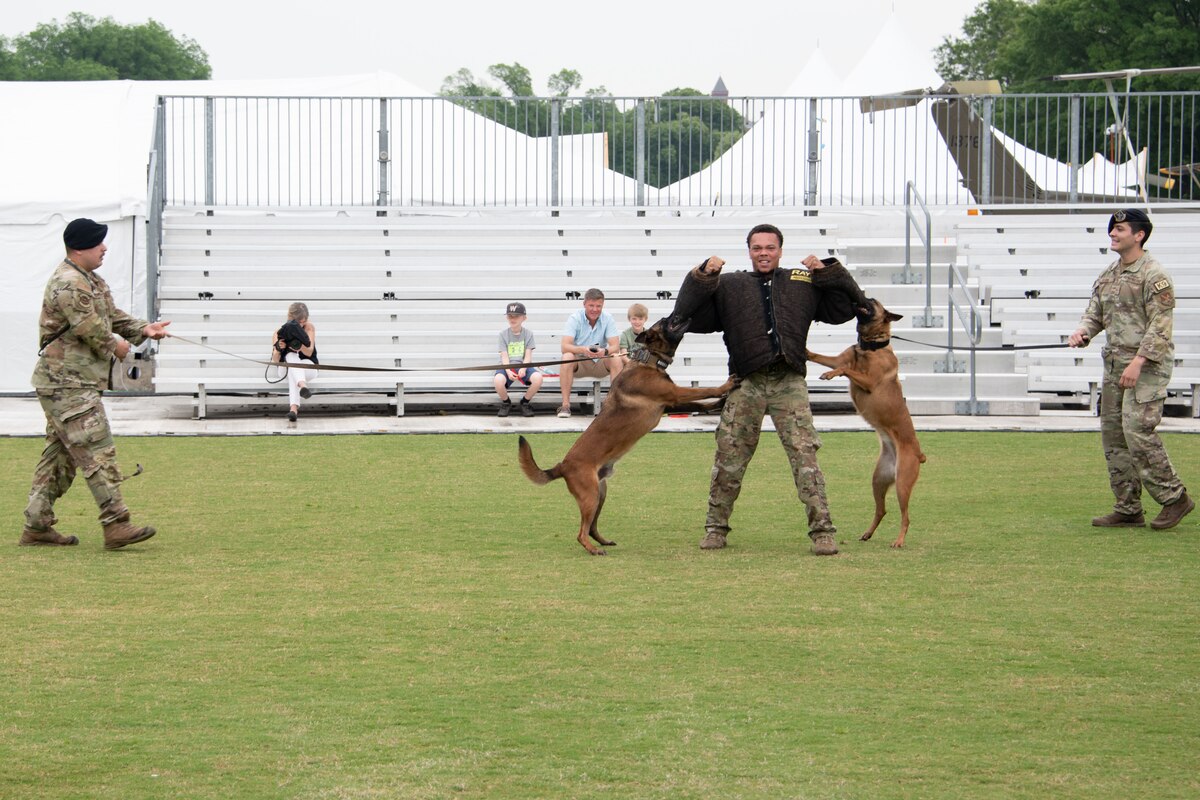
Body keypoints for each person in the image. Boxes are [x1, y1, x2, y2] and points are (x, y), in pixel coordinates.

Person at [670, 223, 867, 555]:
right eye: (757, 247)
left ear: (780, 250)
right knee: (729, 458)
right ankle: (715, 528)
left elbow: (849, 308)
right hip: (746, 381)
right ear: (748, 250)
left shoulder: (803, 283)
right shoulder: (729, 285)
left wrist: (829, 273)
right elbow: (684, 313)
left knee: (805, 457)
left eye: (770, 247)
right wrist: (702, 276)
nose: (764, 253)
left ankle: (823, 531)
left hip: (788, 381)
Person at [21, 217, 172, 550]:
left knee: (60, 457)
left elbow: (110, 315)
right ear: (79, 248)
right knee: (96, 448)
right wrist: (118, 346)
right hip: (66, 383)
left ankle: (36, 525)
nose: (104, 248)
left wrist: (143, 329)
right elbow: (89, 327)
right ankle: (116, 523)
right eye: (98, 243)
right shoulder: (70, 282)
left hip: (71, 382)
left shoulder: (90, 280)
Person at [1068, 208, 1193, 530]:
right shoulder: (1109, 274)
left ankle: (1174, 497)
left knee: (1138, 432)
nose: (1113, 233)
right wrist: (1082, 332)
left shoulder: (1154, 275)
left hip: (1145, 367)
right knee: (1113, 437)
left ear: (1139, 235)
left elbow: (1160, 327)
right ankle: (1128, 507)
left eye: (1120, 229)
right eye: (1112, 228)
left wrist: (1138, 363)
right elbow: (1094, 313)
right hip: (1114, 366)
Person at [557, 288, 622, 418]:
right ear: (584, 304)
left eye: (599, 306)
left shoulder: (608, 318)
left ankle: (615, 405)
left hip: (600, 361)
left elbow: (616, 346)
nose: (595, 309)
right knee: (566, 356)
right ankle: (565, 406)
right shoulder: (575, 318)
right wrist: (582, 349)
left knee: (616, 358)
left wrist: (605, 351)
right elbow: (564, 346)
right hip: (580, 362)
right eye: (591, 305)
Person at [494, 301, 544, 417]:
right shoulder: (503, 334)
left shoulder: (528, 334)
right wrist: (508, 371)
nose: (513, 318)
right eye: (510, 316)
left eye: (516, 316)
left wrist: (524, 368)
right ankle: (506, 403)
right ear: (507, 317)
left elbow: (528, 355)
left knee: (538, 378)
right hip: (507, 366)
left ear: (524, 318)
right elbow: (504, 356)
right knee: (498, 380)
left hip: (523, 365)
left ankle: (525, 402)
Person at [271, 302, 318, 422]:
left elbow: (309, 352)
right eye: (299, 322)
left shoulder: (309, 327)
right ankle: (302, 386)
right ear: (291, 318)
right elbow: (276, 361)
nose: (302, 325)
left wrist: (299, 346)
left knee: (294, 372)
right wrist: (278, 348)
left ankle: (293, 410)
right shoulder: (279, 332)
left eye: (304, 321)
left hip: (308, 367)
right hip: (285, 370)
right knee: (291, 357)